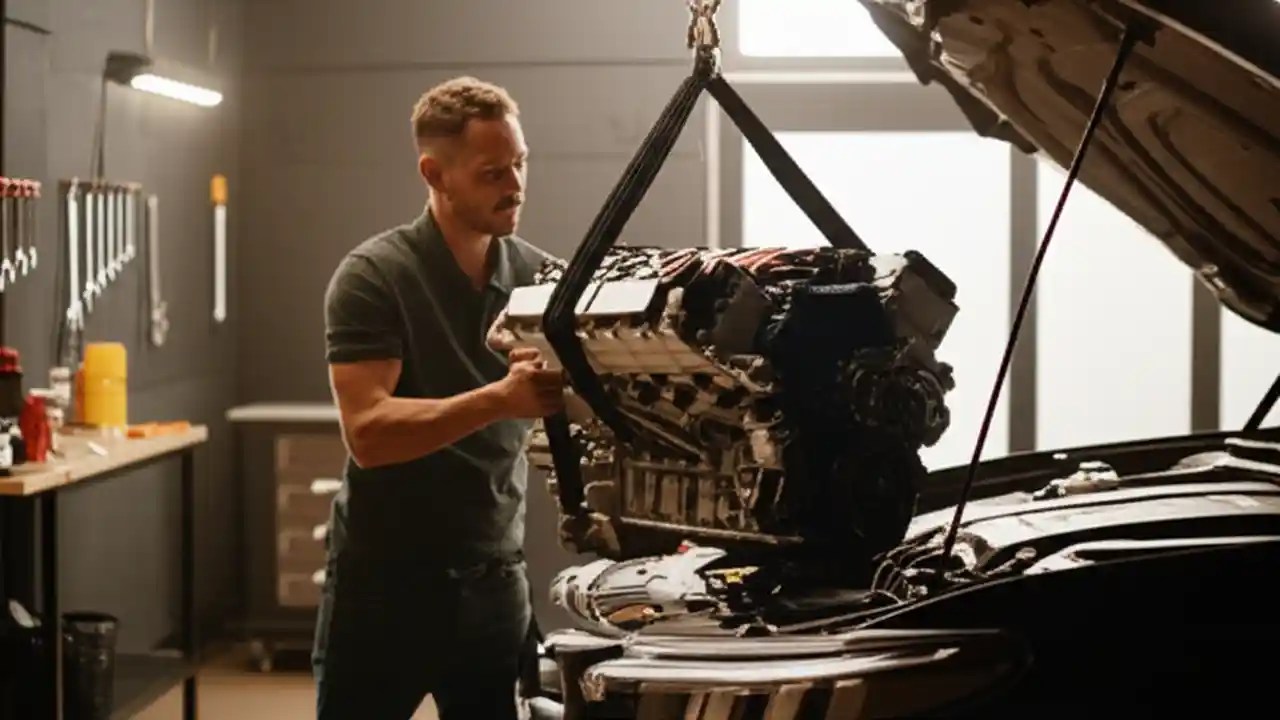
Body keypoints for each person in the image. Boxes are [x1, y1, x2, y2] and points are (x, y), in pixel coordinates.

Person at [314, 76, 565, 720]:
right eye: (491, 172)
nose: (514, 184)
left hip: (493, 581)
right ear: (435, 173)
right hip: (384, 588)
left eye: (520, 163)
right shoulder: (375, 276)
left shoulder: (540, 279)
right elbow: (368, 433)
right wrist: (500, 400)